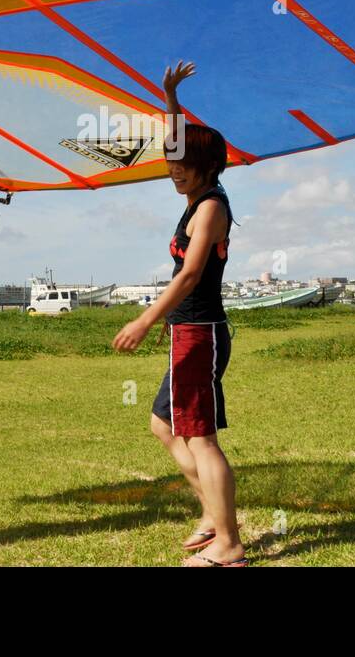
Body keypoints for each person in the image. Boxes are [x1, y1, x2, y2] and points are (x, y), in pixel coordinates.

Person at [113, 62, 247, 567]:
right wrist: (169, 97)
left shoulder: (210, 207)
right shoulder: (195, 198)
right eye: (173, 162)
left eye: (185, 164)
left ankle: (228, 544)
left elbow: (189, 276)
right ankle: (213, 514)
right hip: (186, 332)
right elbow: (175, 145)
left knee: (200, 437)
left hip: (200, 333)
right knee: (164, 426)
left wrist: (144, 320)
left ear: (207, 167)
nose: (175, 169)